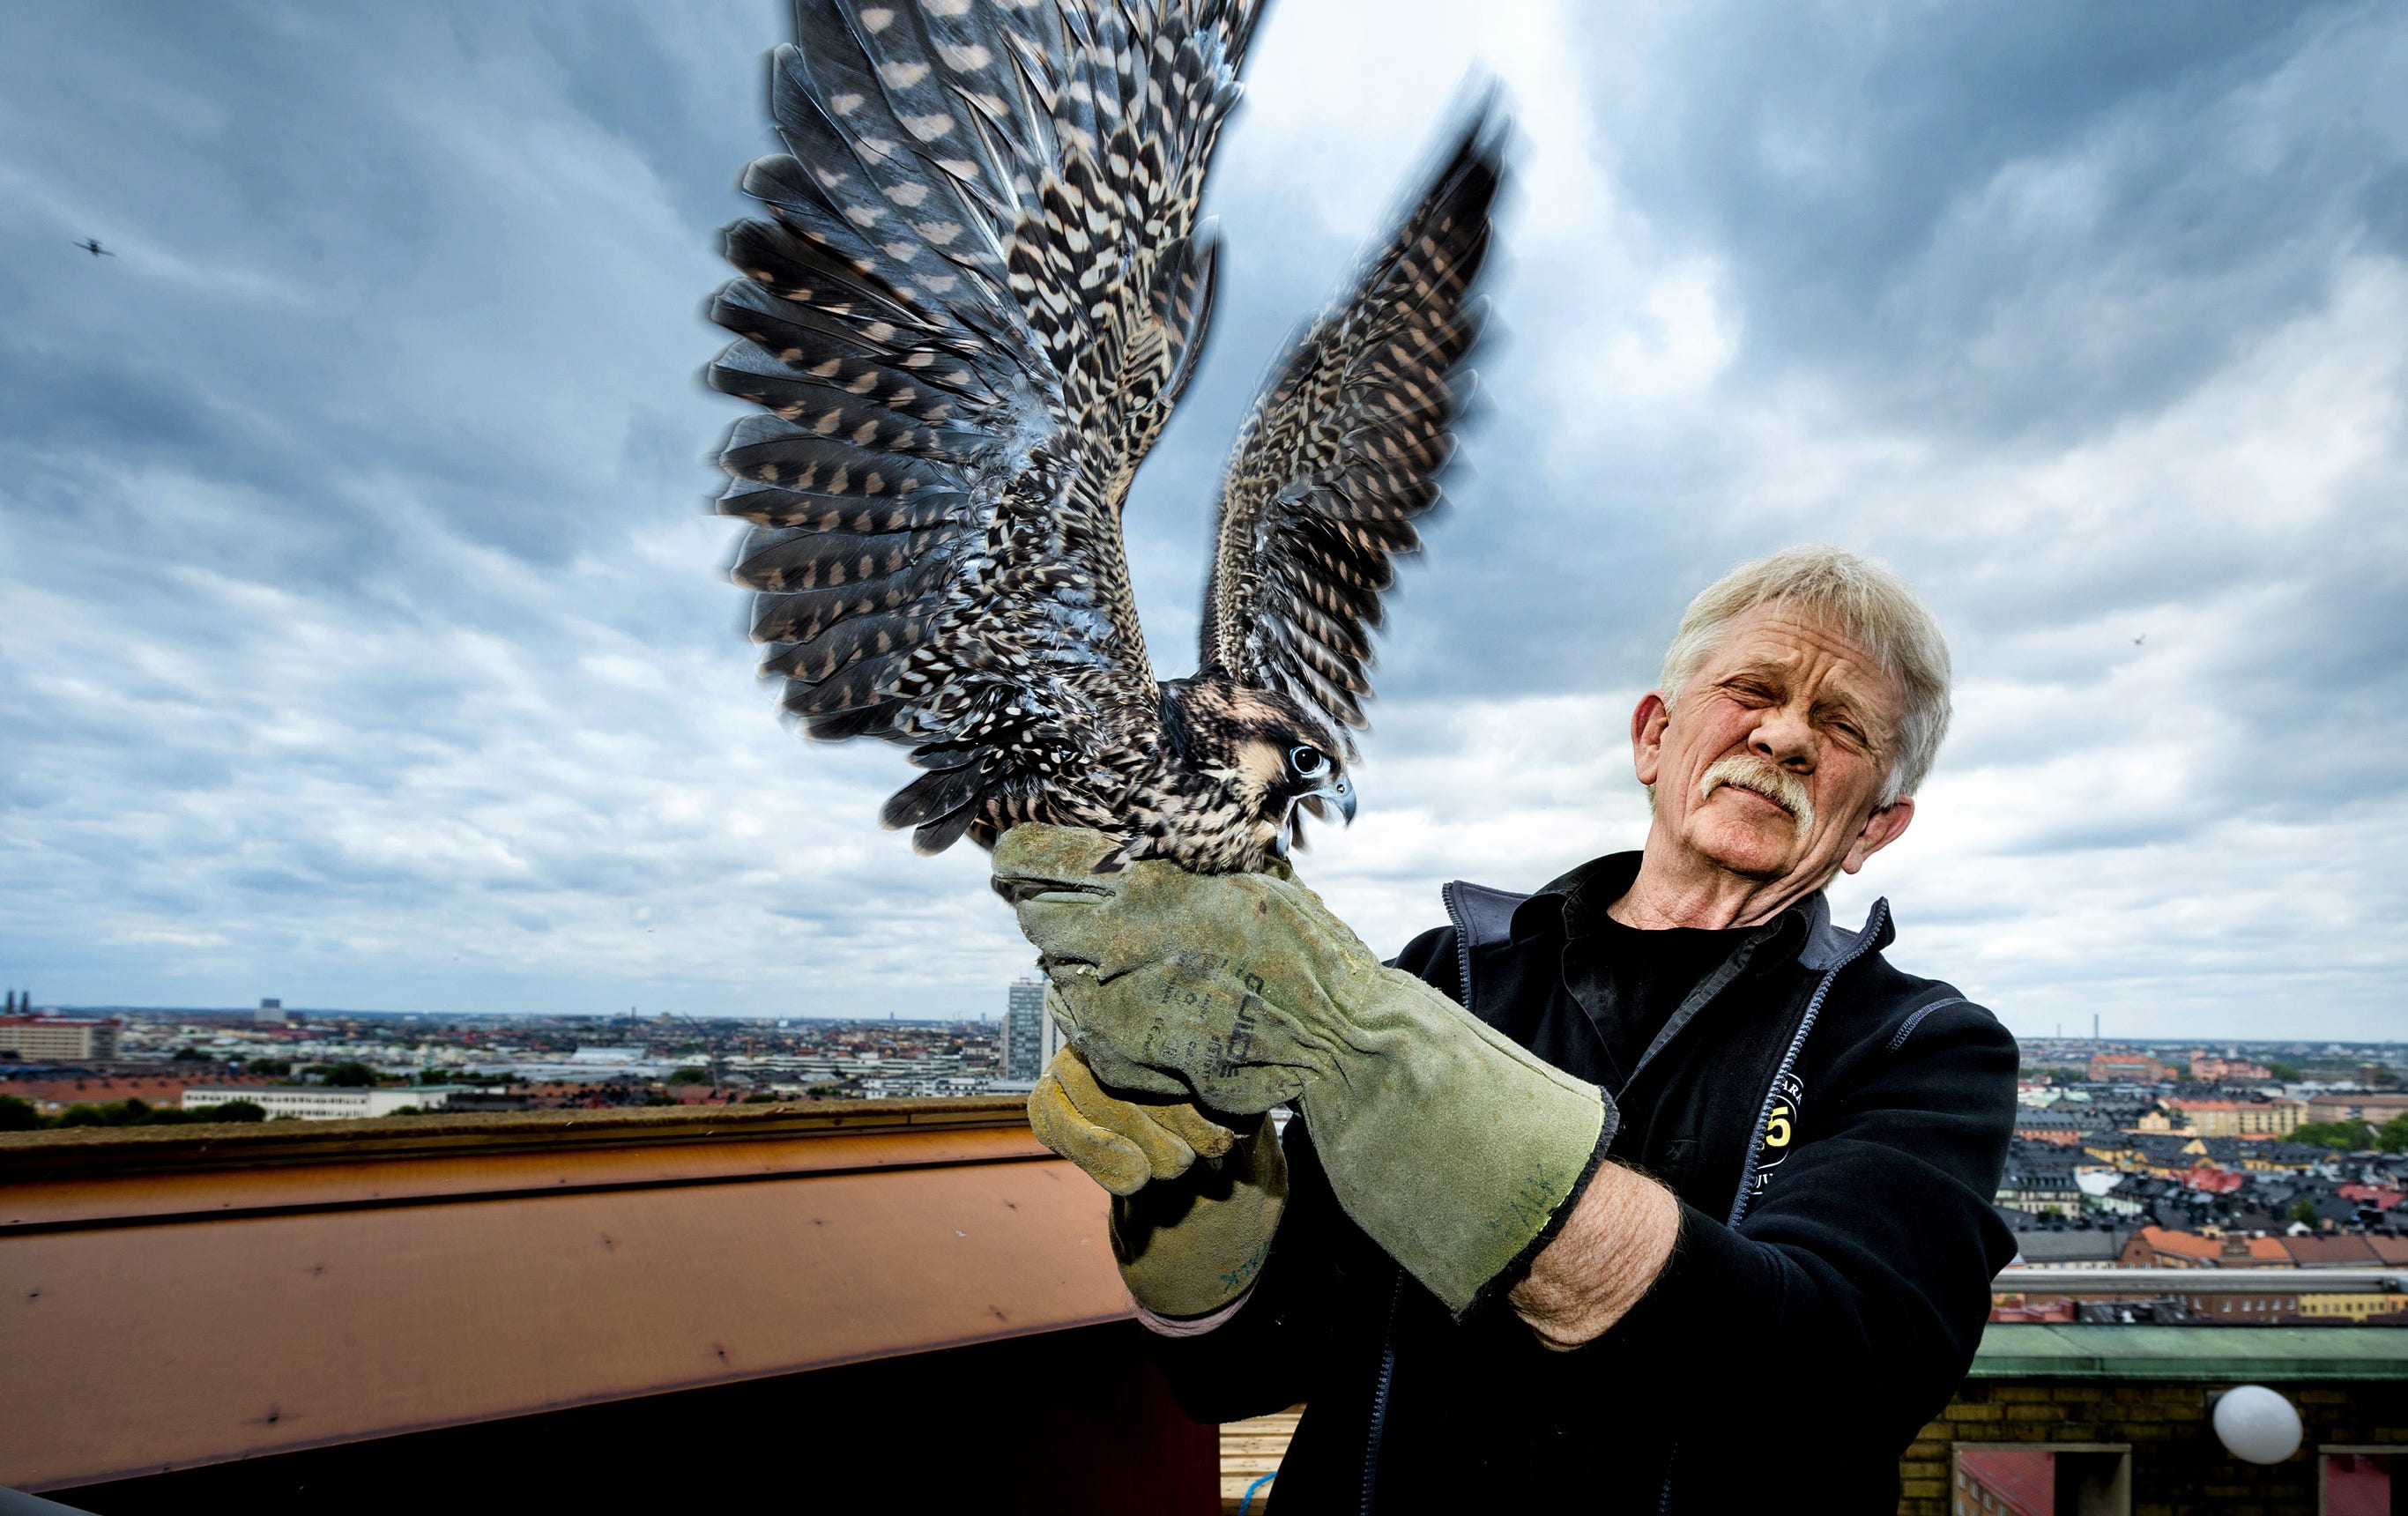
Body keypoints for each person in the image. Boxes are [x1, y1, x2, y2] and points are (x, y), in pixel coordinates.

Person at [992, 546, 2018, 1511]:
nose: (1786, 735)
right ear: (1653, 737)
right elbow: (1234, 1364)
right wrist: (1195, 1172)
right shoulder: (1444, 977)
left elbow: (1818, 1379)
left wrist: (1358, 1038)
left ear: (1876, 823)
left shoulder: (1918, 1046)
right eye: (1750, 690)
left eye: (1842, 727)